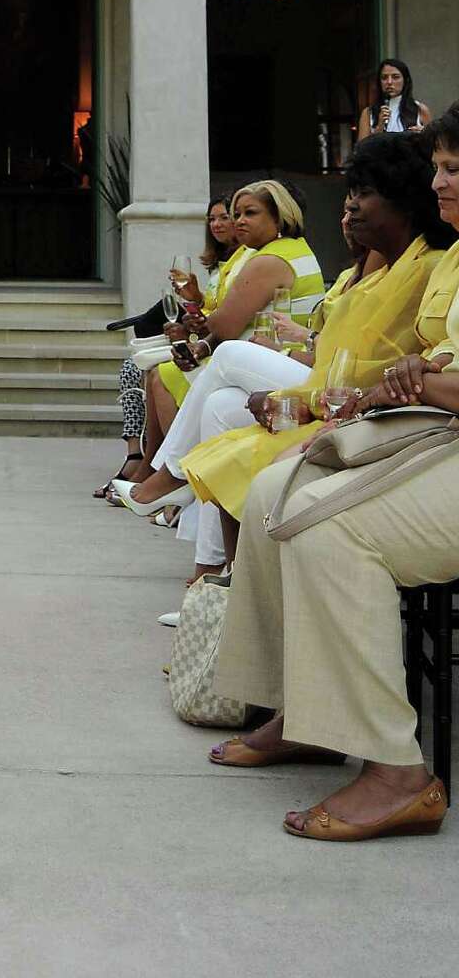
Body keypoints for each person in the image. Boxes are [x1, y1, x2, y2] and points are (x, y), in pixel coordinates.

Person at [209, 105, 459, 841]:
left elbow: (432, 367)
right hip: (437, 429)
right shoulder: (451, 256)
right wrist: (411, 380)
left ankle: (397, 769)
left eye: (449, 168)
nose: (436, 181)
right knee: (270, 493)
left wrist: (416, 380)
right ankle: (308, 708)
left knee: (326, 527)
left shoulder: (429, 258)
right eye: (436, 167)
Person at [177, 131, 454, 561]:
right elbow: (346, 361)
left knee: (249, 454)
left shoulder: (426, 266)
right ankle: (217, 583)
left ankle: (167, 485)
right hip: (349, 407)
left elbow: (381, 367)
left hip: (383, 420)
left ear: (402, 199)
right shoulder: (379, 272)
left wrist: (306, 400)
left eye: (363, 194)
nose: (350, 208)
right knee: (221, 428)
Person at [113, 178, 325, 517]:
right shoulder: (268, 253)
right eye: (236, 213)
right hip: (273, 359)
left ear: (279, 217)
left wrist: (203, 327)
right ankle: (207, 558)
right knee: (214, 402)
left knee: (190, 367)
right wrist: (202, 331)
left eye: (250, 213)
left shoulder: (270, 260)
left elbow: (226, 326)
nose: (238, 221)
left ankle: (167, 477)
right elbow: (222, 316)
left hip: (289, 365)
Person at [95, 195, 239, 499]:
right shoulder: (221, 265)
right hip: (207, 343)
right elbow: (208, 314)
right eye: (212, 219)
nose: (218, 224)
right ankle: (138, 456)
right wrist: (191, 313)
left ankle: (160, 471)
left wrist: (194, 314)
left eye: (226, 217)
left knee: (156, 374)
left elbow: (225, 319)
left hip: (223, 350)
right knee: (132, 370)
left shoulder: (249, 264)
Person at [358, 57, 431, 139]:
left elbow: (433, 146)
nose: (389, 82)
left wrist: (423, 136)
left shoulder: (420, 109)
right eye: (384, 78)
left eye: (395, 77)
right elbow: (361, 149)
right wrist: (379, 127)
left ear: (405, 80)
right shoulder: (368, 113)